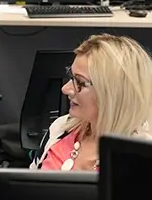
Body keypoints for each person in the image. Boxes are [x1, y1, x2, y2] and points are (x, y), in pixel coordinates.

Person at [30, 34, 152, 171]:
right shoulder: (60, 129)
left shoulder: (142, 157)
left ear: (112, 94)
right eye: (71, 77)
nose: (65, 89)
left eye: (80, 82)